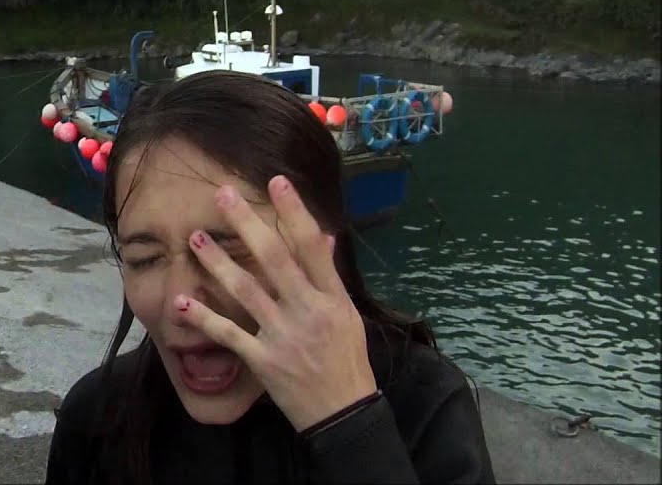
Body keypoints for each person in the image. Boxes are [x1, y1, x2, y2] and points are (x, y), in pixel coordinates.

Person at [45, 70, 494, 484]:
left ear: (324, 242)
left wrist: (350, 426)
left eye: (229, 250)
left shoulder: (423, 408)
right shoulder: (97, 421)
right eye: (144, 258)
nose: (181, 303)